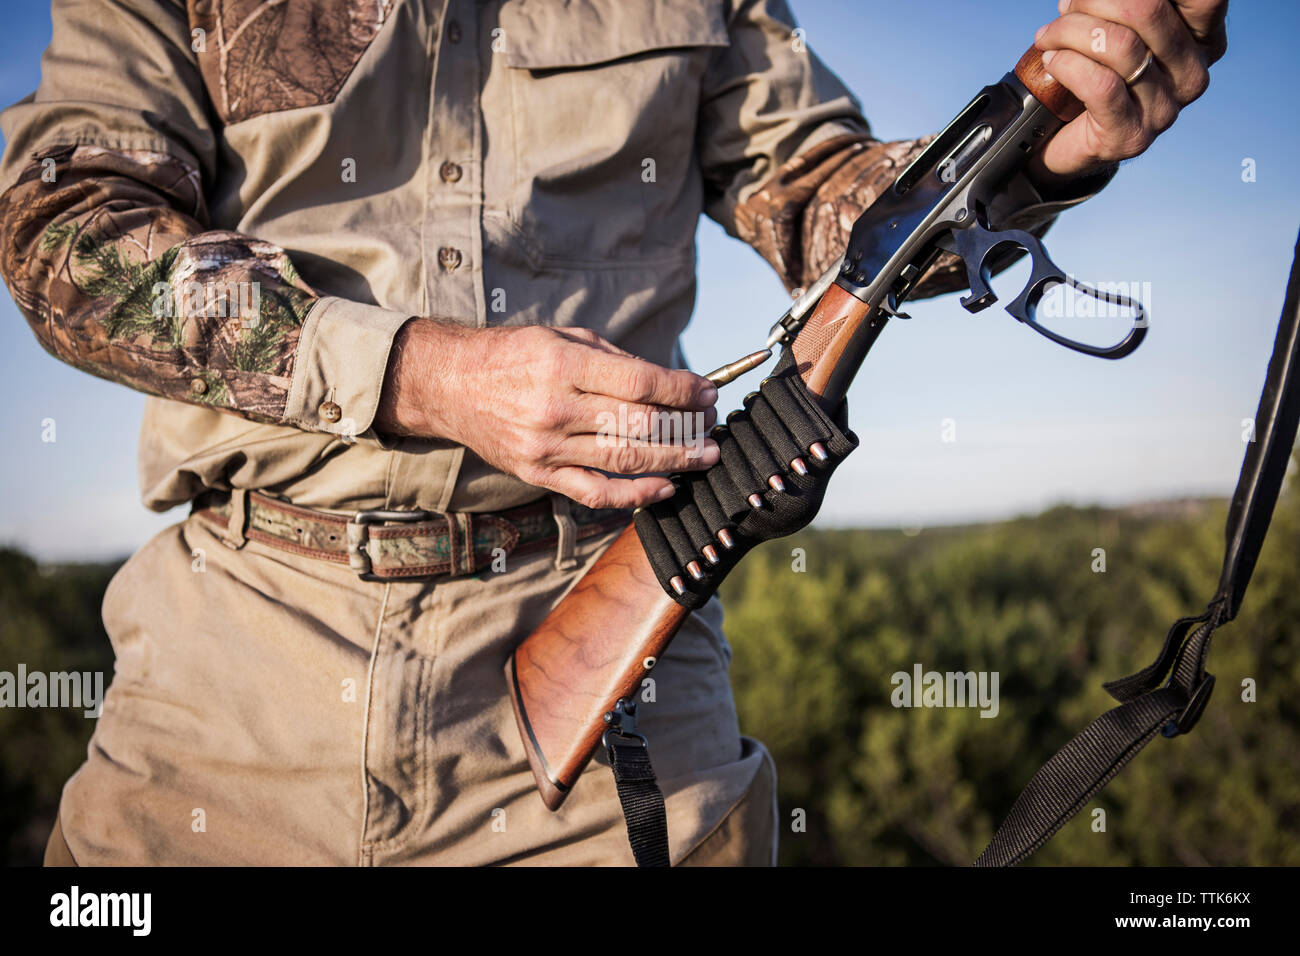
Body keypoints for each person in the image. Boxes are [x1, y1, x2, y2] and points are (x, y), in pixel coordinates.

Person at [0, 0, 1226, 866]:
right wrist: (421, 373)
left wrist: (1034, 148)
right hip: (235, 672)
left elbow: (825, 199)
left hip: (618, 641)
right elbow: (62, 233)